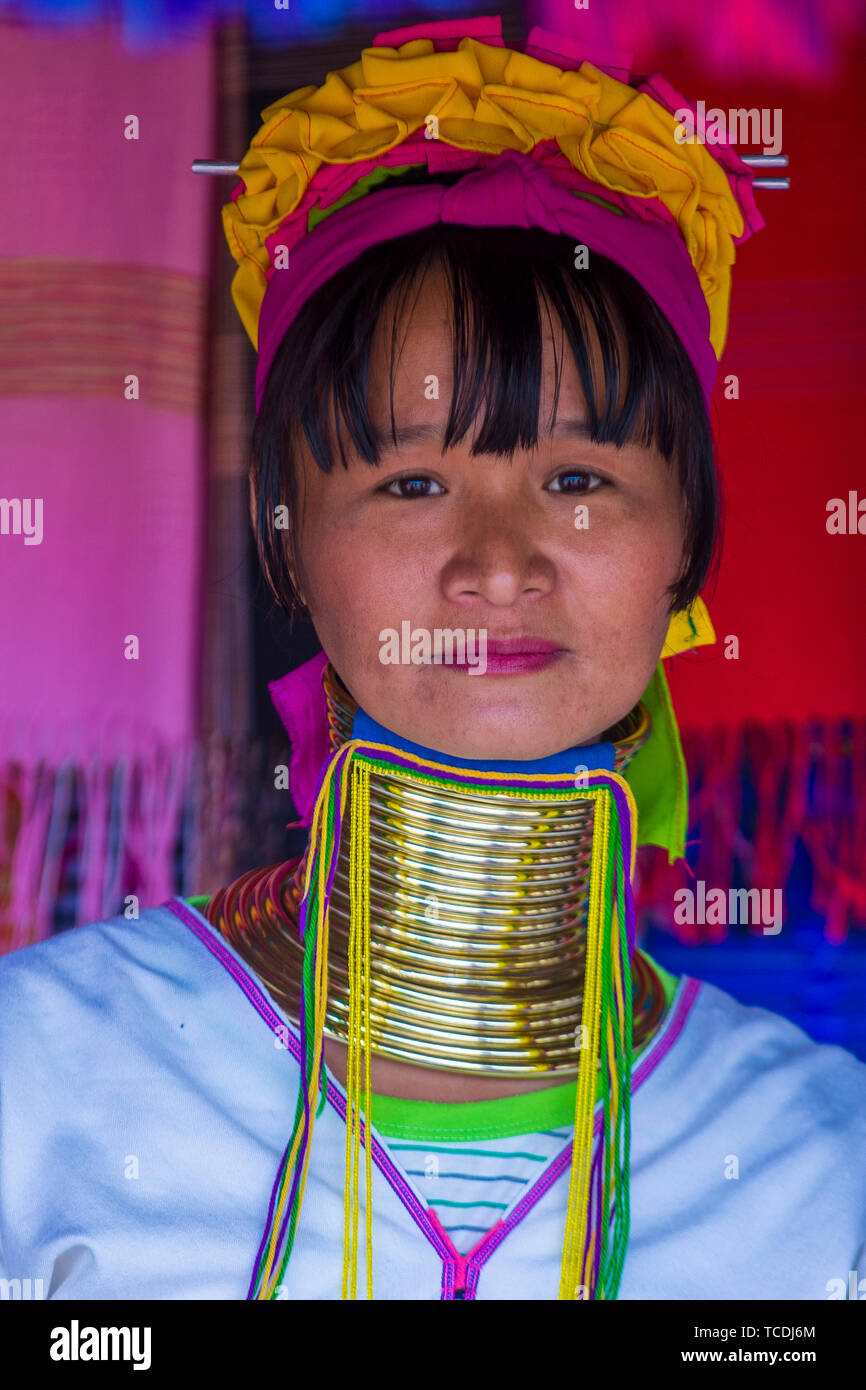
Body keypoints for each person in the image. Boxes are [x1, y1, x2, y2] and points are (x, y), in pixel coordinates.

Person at [1, 13, 864, 1302]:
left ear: (691, 541)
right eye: (411, 483)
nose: (497, 564)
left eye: (579, 478)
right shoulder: (41, 1082)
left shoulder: (819, 1168)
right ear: (279, 536)